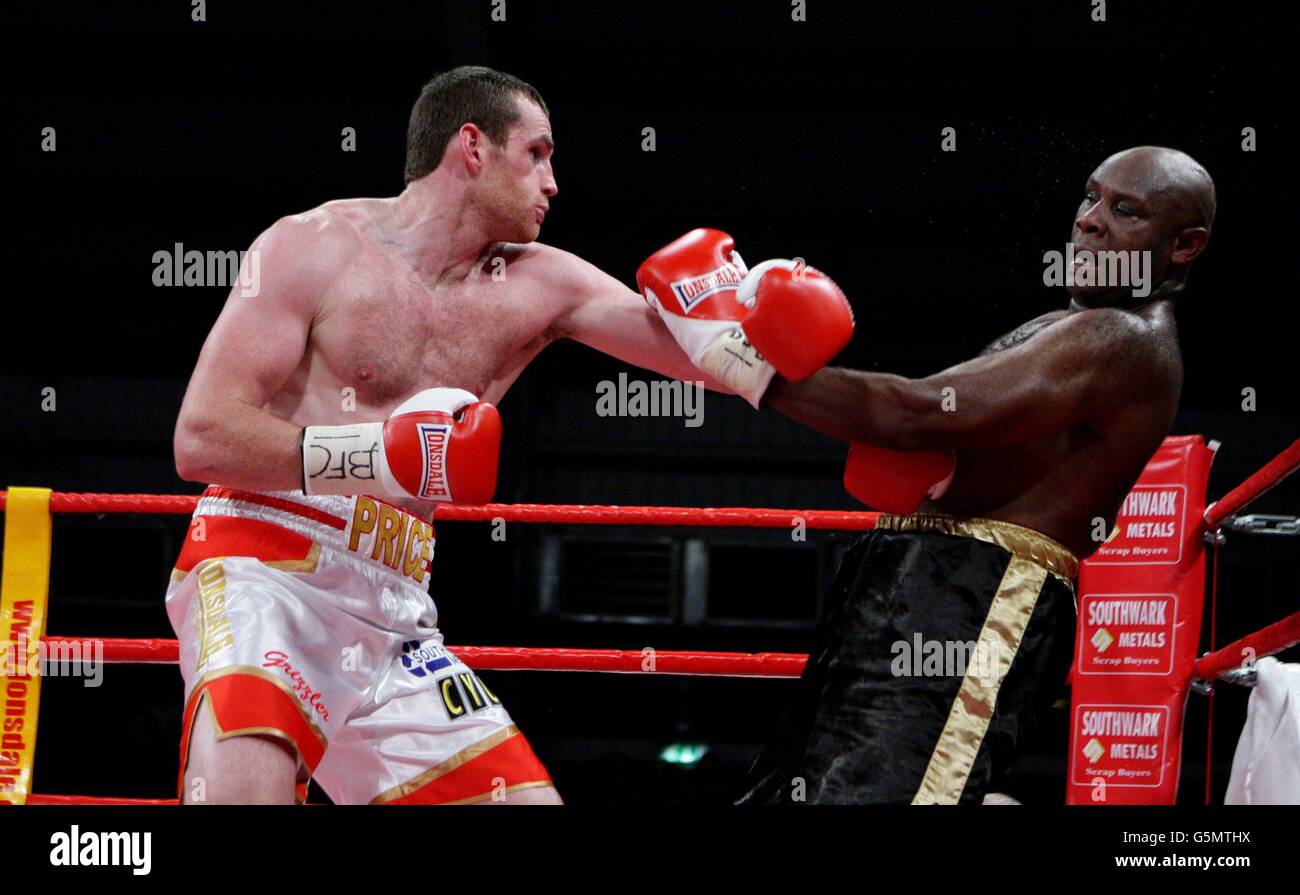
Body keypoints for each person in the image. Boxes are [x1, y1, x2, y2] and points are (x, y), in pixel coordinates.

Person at [167, 65, 850, 805]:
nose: (553, 182)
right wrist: (377, 455)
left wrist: (752, 313)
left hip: (396, 603)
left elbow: (709, 367)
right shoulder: (311, 247)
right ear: (472, 147)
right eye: (537, 154)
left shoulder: (543, 284)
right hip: (264, 568)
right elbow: (201, 437)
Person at [726, 146, 1215, 804]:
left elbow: (915, 413)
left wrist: (737, 361)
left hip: (976, 600)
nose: (1091, 220)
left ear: (1184, 245)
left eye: (1126, 210)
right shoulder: (1070, 325)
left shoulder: (1124, 339)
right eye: (1090, 197)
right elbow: (921, 422)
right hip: (915, 592)